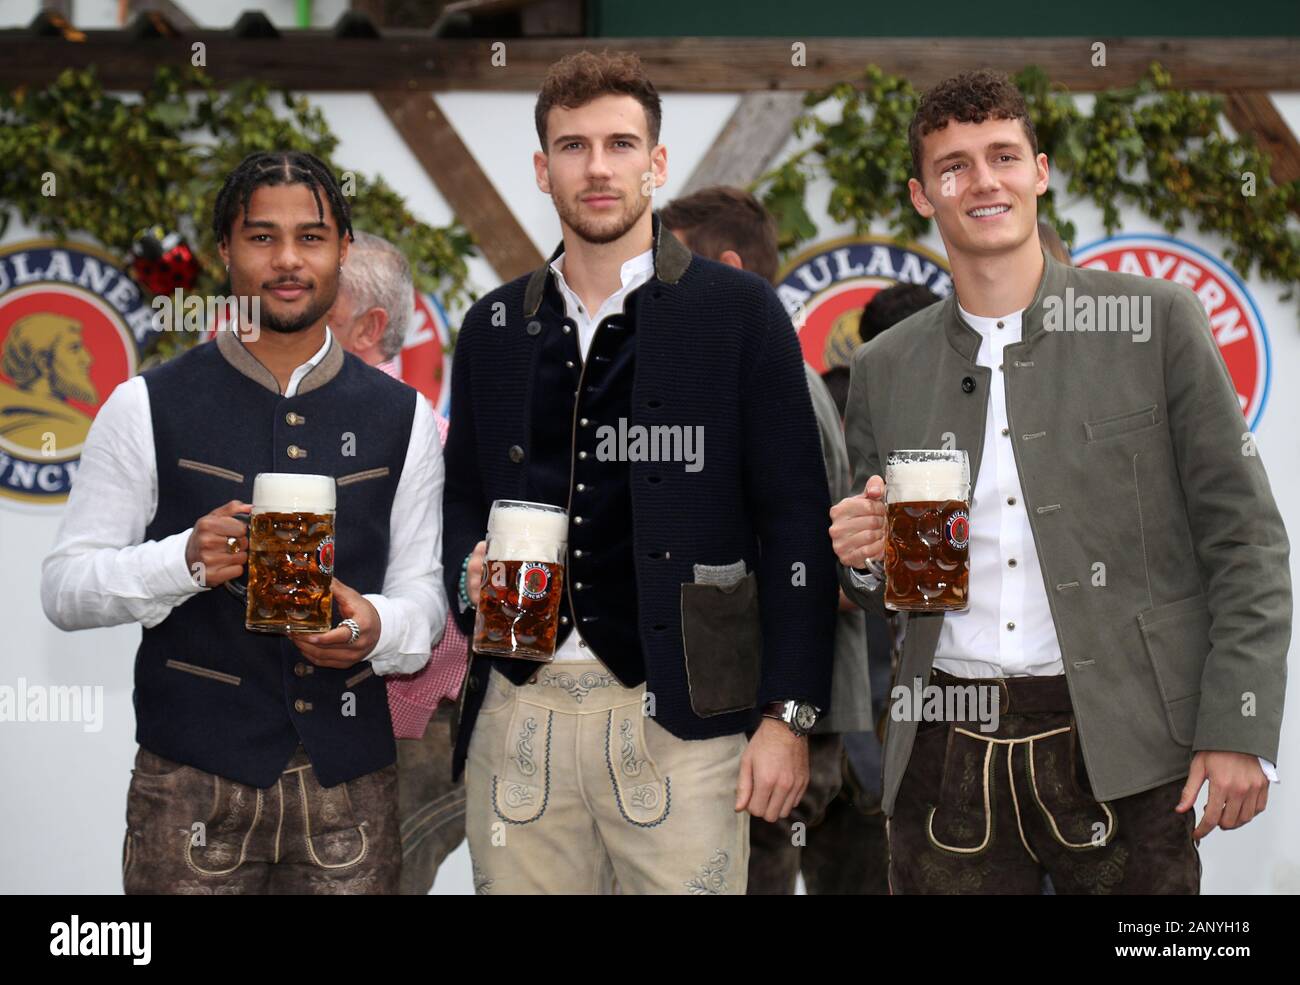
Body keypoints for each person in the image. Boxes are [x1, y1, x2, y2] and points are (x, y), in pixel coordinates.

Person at [830, 70, 1290, 894]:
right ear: (920, 194)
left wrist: (1238, 724)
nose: (983, 181)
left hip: (1124, 743)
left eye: (1003, 156)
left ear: (1040, 170)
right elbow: (883, 592)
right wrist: (862, 560)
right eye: (955, 165)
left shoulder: (1155, 322)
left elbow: (1246, 540)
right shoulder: (884, 367)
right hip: (944, 748)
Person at [442, 51, 835, 895]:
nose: (598, 167)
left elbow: (795, 519)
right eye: (573, 146)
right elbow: (463, 501)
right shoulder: (493, 326)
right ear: (543, 169)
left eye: (620, 144)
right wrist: (466, 578)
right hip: (519, 713)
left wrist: (789, 715)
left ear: (655, 163)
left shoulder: (740, 315)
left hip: (685, 720)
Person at [41, 150, 447, 894]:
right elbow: (65, 588)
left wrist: (376, 627)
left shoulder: (405, 417)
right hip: (190, 790)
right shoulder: (146, 404)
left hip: (350, 796)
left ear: (343, 251)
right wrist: (181, 561)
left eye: (311, 237)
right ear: (225, 250)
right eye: (262, 237)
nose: (288, 260)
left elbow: (424, 593)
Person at [658, 184, 872, 894]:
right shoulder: (718, 384)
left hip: (762, 726)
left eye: (668, 264)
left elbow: (815, 571)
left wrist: (783, 719)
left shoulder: (778, 388)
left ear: (729, 270)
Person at [330, 229, 467, 895]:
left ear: (368, 326)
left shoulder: (432, 443)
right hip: (327, 719)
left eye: (314, 299)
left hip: (404, 730)